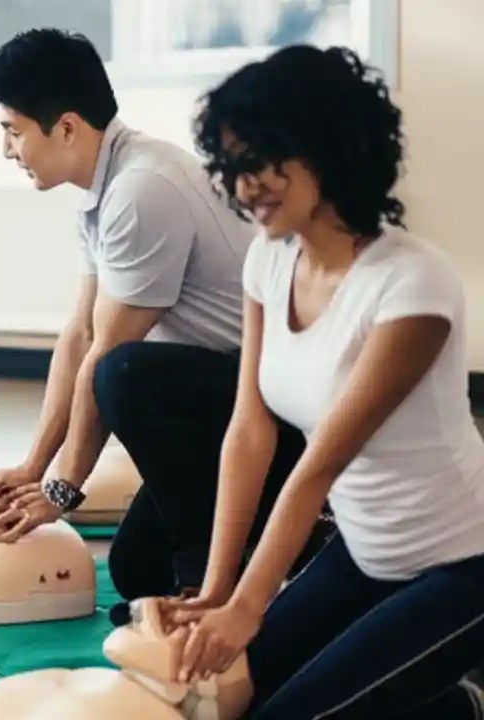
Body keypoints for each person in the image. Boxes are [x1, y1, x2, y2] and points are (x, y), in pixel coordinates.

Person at [161, 45, 484, 718]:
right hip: (361, 553)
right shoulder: (268, 262)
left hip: (462, 566)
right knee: (224, 698)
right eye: (232, 165)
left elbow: (320, 463)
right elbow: (250, 431)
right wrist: (219, 589)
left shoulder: (410, 284)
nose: (244, 186)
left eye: (262, 159)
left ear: (331, 145)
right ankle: (447, 705)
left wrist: (252, 605)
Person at [0, 28, 318, 600]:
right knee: (136, 572)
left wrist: (62, 490)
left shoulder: (142, 188)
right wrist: (35, 466)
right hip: (223, 399)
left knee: (125, 376)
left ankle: (239, 564)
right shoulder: (102, 189)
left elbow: (104, 356)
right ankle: (248, 549)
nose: (7, 150)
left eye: (13, 131)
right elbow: (78, 334)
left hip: (276, 417)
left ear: (68, 127)